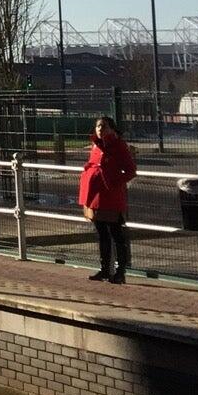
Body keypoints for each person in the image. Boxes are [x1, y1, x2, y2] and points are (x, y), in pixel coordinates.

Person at [78, 115, 137, 285]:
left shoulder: (118, 146)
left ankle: (120, 271)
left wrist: (113, 181)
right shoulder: (95, 146)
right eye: (98, 126)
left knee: (116, 233)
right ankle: (105, 269)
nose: (100, 129)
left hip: (111, 197)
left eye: (103, 126)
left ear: (111, 129)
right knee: (102, 233)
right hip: (95, 196)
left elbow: (130, 170)